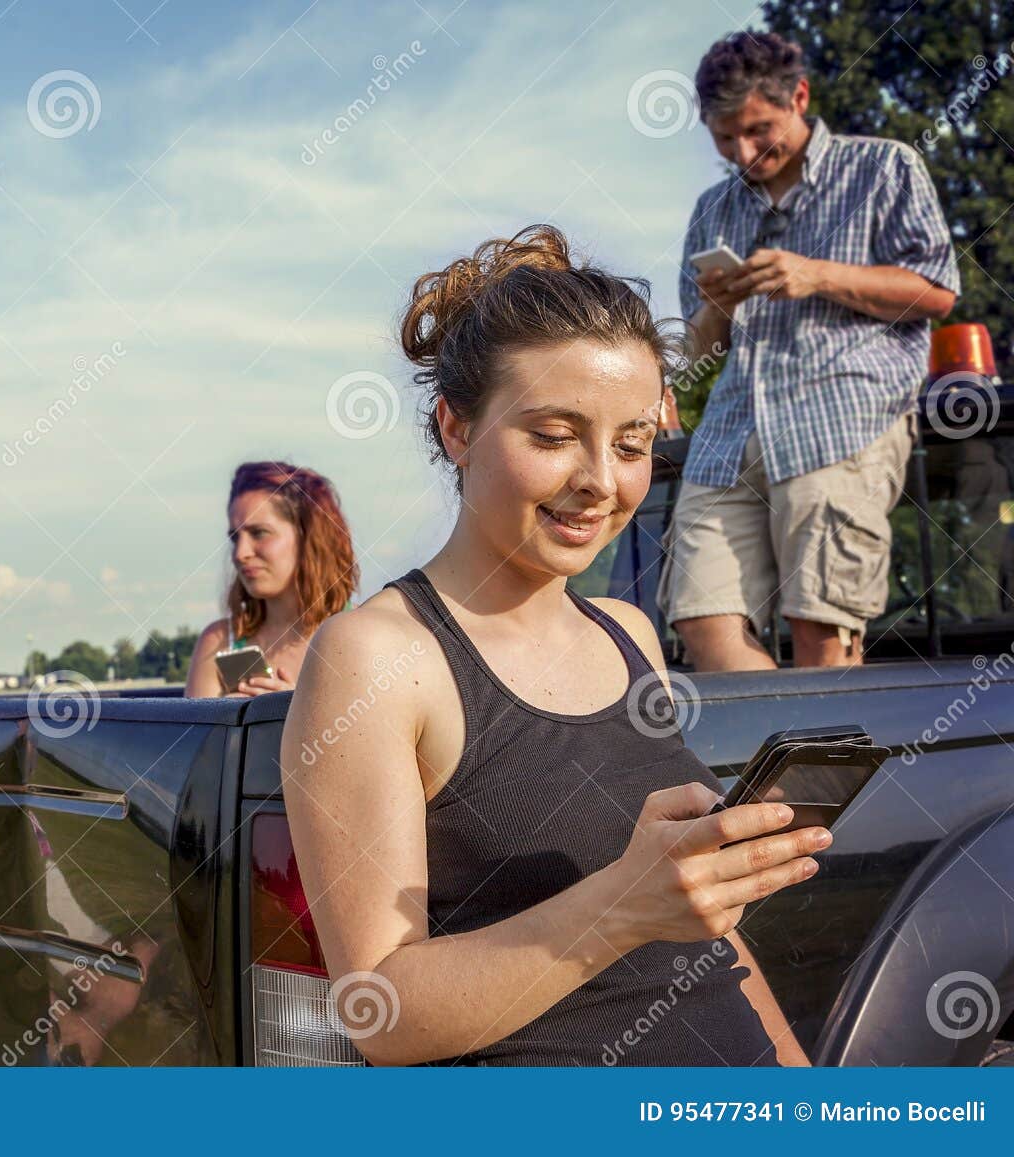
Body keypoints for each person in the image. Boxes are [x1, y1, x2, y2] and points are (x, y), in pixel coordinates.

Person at [280, 226, 821, 1066]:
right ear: (456, 429)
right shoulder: (379, 657)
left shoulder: (629, 632)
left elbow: (710, 936)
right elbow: (380, 1013)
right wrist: (621, 907)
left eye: (633, 443)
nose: (602, 479)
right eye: (555, 435)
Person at [660, 31, 959, 671]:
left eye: (758, 129)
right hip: (728, 438)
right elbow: (698, 349)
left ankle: (807, 772)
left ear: (799, 97)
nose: (743, 152)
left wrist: (818, 275)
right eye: (723, 139)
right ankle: (780, 773)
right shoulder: (711, 209)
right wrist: (718, 309)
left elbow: (936, 292)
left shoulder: (884, 167)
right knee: (700, 621)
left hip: (840, 424)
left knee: (821, 631)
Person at [184, 461, 357, 698]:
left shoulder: (358, 636)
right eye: (235, 538)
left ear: (310, 537)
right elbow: (192, 736)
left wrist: (296, 711)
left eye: (259, 533)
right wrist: (226, 722)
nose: (240, 553)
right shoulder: (218, 642)